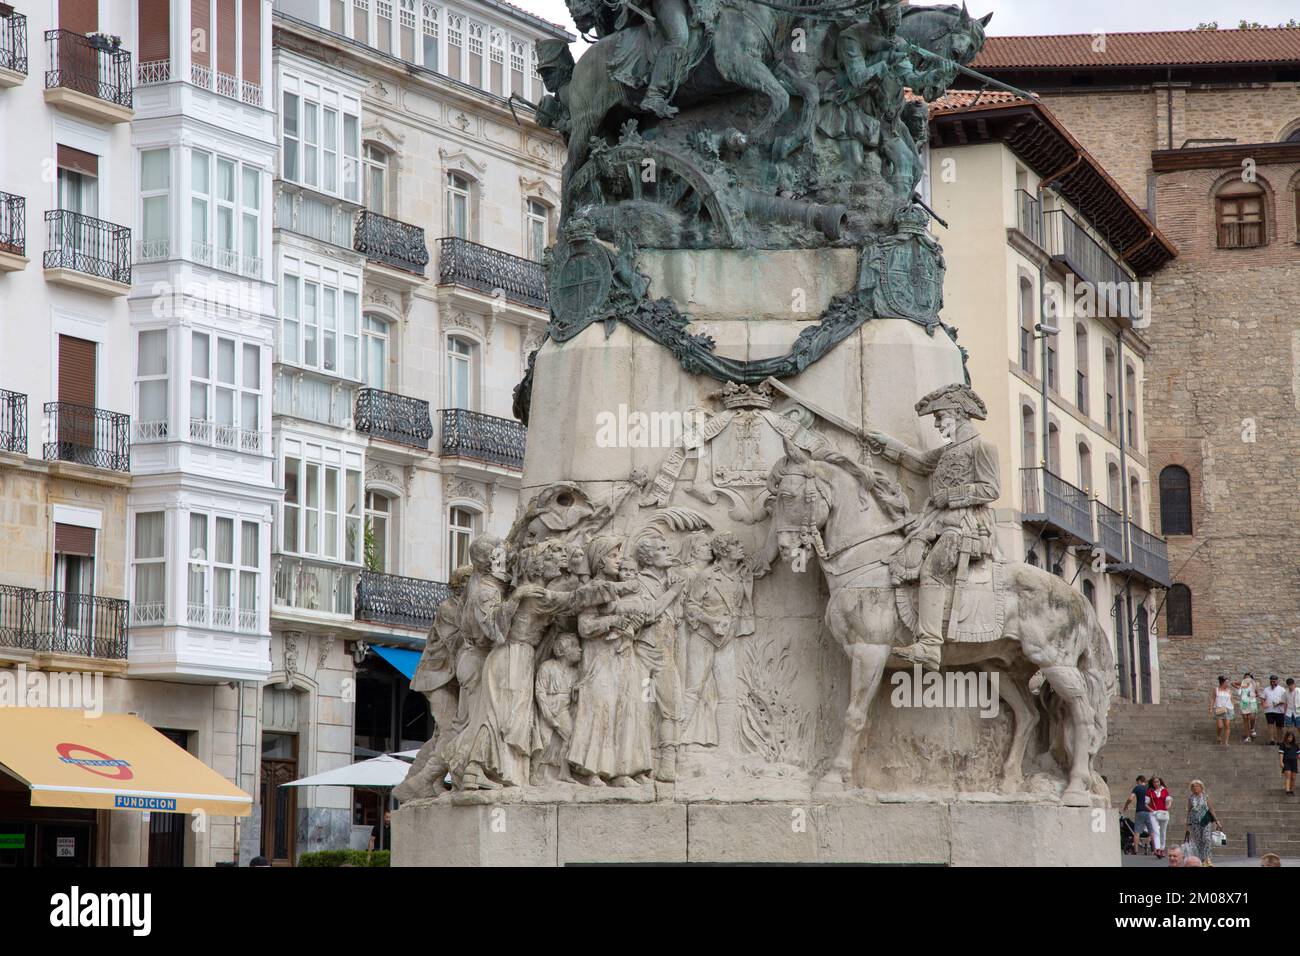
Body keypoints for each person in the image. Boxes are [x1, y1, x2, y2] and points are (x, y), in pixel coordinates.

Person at [1184, 779, 1221, 866]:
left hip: (1205, 820)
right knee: (1198, 841)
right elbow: (1189, 810)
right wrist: (1187, 822)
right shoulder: (1191, 798)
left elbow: (1211, 809)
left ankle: (1207, 858)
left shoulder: (1205, 797)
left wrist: (1217, 821)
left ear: (1201, 787)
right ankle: (1201, 859)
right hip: (1194, 821)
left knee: (1206, 839)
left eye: (1197, 786)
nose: (1195, 788)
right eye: (1193, 786)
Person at [1121, 774, 1153, 855]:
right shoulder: (1150, 789)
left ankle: (1136, 850)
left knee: (1137, 831)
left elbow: (1130, 798)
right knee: (1151, 831)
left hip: (1140, 811)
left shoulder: (1137, 788)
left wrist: (1126, 805)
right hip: (1150, 812)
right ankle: (1153, 849)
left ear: (1139, 781)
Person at [1147, 775, 1171, 858]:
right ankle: (1157, 849)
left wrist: (1167, 806)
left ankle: (1162, 848)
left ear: (1160, 782)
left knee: (1163, 832)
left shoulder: (1164, 790)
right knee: (1156, 830)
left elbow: (1169, 800)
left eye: (1157, 781)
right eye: (1154, 782)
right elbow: (1145, 803)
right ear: (1152, 783)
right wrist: (1152, 810)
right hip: (1153, 813)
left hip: (1163, 813)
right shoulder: (1149, 791)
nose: (1156, 783)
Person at [1261, 675, 1286, 744]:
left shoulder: (1282, 689)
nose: (1272, 683)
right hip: (1269, 710)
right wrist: (1263, 704)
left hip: (1279, 711)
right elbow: (1262, 698)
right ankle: (1271, 740)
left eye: (1274, 681)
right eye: (1271, 681)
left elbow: (1285, 700)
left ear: (1277, 681)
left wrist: (1278, 703)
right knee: (1270, 725)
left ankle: (1279, 740)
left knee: (1279, 726)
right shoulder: (1266, 689)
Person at [1210, 675, 1234, 745]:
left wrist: (1233, 708)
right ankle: (1218, 736)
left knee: (1227, 726)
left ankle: (1226, 742)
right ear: (1222, 682)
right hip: (1219, 709)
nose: (1227, 684)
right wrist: (1211, 708)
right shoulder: (1216, 689)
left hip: (1228, 709)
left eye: (1228, 682)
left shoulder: (1229, 691)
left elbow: (1232, 700)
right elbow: (1212, 699)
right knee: (1220, 726)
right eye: (1226, 682)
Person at [1235, 673, 1258, 742]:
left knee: (1252, 717)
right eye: (1245, 678)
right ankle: (1248, 737)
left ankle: (1252, 728)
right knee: (1245, 719)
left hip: (1252, 702)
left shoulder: (1254, 684)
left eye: (1248, 677)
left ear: (1251, 678)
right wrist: (1242, 682)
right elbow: (1233, 683)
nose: (1247, 679)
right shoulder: (1242, 685)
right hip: (1244, 703)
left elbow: (1257, 694)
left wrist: (1252, 694)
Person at [1280, 730, 1299, 796]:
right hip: (1286, 762)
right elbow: (1281, 754)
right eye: (1288, 737)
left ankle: (1291, 790)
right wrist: (1281, 762)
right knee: (1288, 775)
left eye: (1291, 737)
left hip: (1294, 762)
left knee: (1293, 777)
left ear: (1293, 738)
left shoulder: (1296, 746)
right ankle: (1287, 790)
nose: (1290, 738)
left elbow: (1298, 755)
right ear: (1286, 737)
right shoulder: (1283, 745)